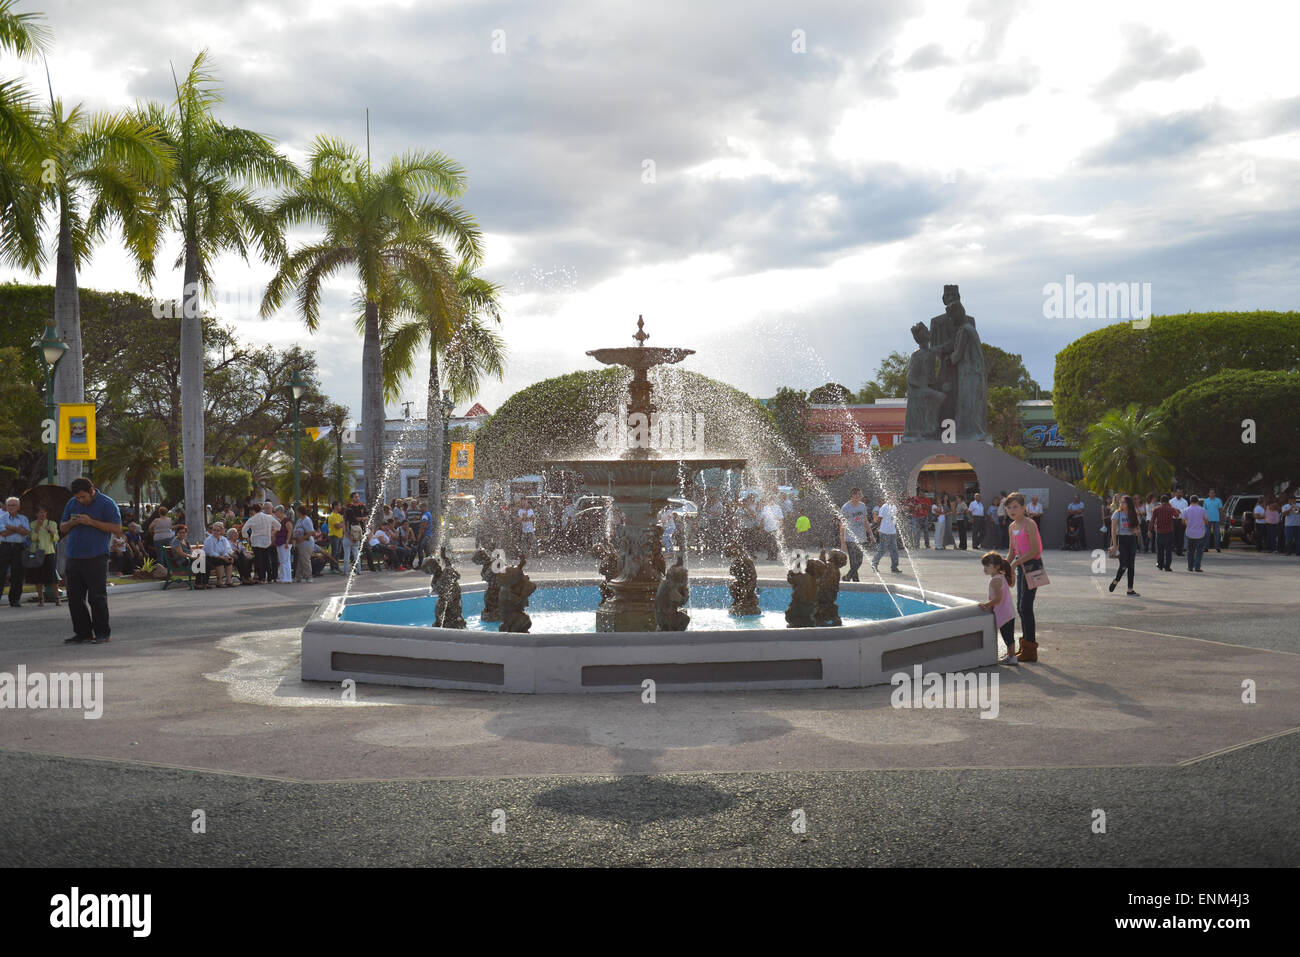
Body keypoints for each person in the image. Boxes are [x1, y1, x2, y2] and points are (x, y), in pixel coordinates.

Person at [59, 478, 122, 644]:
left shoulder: (107, 503)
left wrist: (91, 522)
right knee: (74, 598)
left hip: (96, 556)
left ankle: (102, 633)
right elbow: (62, 528)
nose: (81, 500)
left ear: (92, 490)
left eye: (84, 497)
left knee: (97, 597)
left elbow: (116, 528)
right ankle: (83, 632)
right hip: (74, 556)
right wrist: (72, 522)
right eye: (78, 498)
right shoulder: (71, 503)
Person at [1003, 492, 1043, 661]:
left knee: (1026, 607)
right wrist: (1004, 567)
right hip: (1020, 567)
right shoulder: (1012, 527)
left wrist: (1014, 564)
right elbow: (1012, 551)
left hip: (1033, 566)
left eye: (1015, 507)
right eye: (1009, 507)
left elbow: (1034, 551)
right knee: (1020, 607)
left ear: (1023, 508)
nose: (1012, 510)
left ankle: (1030, 650)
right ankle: (1025, 647)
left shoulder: (1030, 524)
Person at [977, 551, 1017, 665]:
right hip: (1008, 611)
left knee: (1007, 637)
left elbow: (998, 599)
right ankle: (1011, 656)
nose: (985, 568)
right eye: (984, 566)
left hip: (1003, 613)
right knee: (1009, 636)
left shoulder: (995, 580)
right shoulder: (1001, 577)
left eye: (987, 566)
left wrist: (986, 605)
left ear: (997, 567)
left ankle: (1012, 657)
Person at [0, 496, 32, 608]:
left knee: (18, 575)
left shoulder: (23, 518)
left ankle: (15, 600)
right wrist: (18, 529)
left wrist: (10, 528)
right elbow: (2, 533)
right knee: (1, 573)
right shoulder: (2, 518)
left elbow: (27, 532)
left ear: (18, 507)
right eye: (9, 505)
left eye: (13, 505)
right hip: (5, 547)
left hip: (19, 548)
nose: (11, 507)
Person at [1108, 494, 1141, 596]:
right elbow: (1113, 531)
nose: (1121, 504)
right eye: (1120, 502)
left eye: (1123, 502)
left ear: (1128, 504)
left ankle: (1130, 589)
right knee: (1124, 564)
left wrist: (1135, 530)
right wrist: (1114, 545)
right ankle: (1116, 580)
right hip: (1120, 539)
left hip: (1131, 540)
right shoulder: (1117, 514)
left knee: (1131, 565)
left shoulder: (1134, 513)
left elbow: (1138, 530)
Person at [30, 505, 61, 606]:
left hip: (49, 552)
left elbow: (56, 538)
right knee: (38, 577)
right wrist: (37, 527)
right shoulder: (32, 524)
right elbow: (33, 539)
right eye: (40, 512)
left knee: (52, 577)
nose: (42, 514)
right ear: (36, 514)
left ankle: (57, 599)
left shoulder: (52, 523)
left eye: (44, 512)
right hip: (37, 553)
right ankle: (40, 599)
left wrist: (51, 532)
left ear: (47, 513)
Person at [839, 487, 871, 582]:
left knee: (859, 561)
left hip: (861, 536)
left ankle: (847, 577)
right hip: (850, 537)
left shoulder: (862, 506)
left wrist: (871, 534)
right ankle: (856, 580)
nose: (861, 496)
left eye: (861, 494)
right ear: (853, 495)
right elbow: (842, 525)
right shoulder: (845, 507)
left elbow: (865, 521)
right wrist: (842, 542)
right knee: (853, 562)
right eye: (858, 494)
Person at [242, 503, 277, 583]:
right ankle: (269, 577)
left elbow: (244, 530)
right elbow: (278, 526)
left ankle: (262, 578)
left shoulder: (252, 519)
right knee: (266, 560)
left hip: (255, 542)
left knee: (259, 560)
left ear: (254, 511)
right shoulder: (268, 517)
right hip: (266, 541)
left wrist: (246, 537)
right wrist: (271, 534)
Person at [870, 497, 901, 573]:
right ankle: (874, 564)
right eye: (891, 497)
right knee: (882, 550)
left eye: (894, 498)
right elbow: (879, 518)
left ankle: (894, 567)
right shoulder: (884, 507)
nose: (893, 499)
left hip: (892, 532)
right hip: (884, 532)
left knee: (894, 550)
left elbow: (894, 518)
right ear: (887, 498)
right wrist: (879, 528)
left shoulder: (894, 507)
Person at [1150, 494, 1178, 572]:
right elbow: (1177, 515)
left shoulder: (1156, 509)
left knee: (1160, 550)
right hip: (1169, 531)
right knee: (1168, 550)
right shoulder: (1171, 509)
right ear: (1168, 501)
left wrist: (1150, 530)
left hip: (1159, 532)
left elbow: (1152, 521)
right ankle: (1167, 566)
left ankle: (1160, 564)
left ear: (1161, 501)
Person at [1181, 495, 1208, 573]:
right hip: (1200, 533)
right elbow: (1206, 521)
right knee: (1199, 551)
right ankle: (1197, 567)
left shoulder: (1186, 510)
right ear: (1197, 501)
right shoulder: (1202, 510)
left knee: (1190, 551)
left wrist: (1188, 524)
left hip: (1190, 533)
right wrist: (1202, 524)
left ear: (1190, 501)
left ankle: (1190, 567)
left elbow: (1183, 521)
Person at [203, 522, 235, 587]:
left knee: (228, 561)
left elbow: (224, 551)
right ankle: (219, 581)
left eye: (218, 530)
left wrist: (227, 556)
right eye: (214, 530)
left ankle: (228, 580)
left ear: (220, 531)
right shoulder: (209, 539)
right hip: (209, 557)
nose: (215, 532)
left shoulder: (223, 539)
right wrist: (223, 558)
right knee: (219, 561)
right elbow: (211, 552)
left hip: (219, 556)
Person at [292, 505, 316, 583]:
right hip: (300, 544)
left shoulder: (307, 520)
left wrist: (302, 538)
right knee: (300, 560)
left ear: (300, 512)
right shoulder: (299, 520)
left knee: (305, 560)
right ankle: (298, 576)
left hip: (306, 543)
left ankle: (308, 576)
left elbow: (311, 532)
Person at [759, 496, 783, 561]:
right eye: (769, 499)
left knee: (774, 542)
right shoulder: (765, 508)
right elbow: (762, 518)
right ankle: (769, 555)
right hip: (767, 528)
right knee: (768, 542)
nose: (771, 501)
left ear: (773, 500)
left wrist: (781, 527)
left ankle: (774, 556)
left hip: (775, 528)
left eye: (772, 499)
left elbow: (781, 518)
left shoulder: (778, 507)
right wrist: (761, 527)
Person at [273, 506, 293, 583]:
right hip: (280, 542)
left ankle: (287, 578)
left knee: (285, 560)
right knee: (282, 561)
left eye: (276, 512)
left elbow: (290, 531)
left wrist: (287, 541)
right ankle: (283, 577)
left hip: (284, 543)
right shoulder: (281, 521)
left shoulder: (286, 520)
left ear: (280, 512)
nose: (275, 514)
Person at [1169, 488, 1188, 556]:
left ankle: (1179, 550)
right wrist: (1176, 510)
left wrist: (1179, 510)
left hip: (1181, 519)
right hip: (1173, 520)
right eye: (1178, 492)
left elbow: (1186, 510)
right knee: (1173, 535)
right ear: (1176, 493)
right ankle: (1172, 548)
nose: (1179, 494)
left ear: (1182, 494)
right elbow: (1170, 509)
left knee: (1181, 535)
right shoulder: (1171, 501)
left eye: (1181, 493)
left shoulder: (1185, 501)